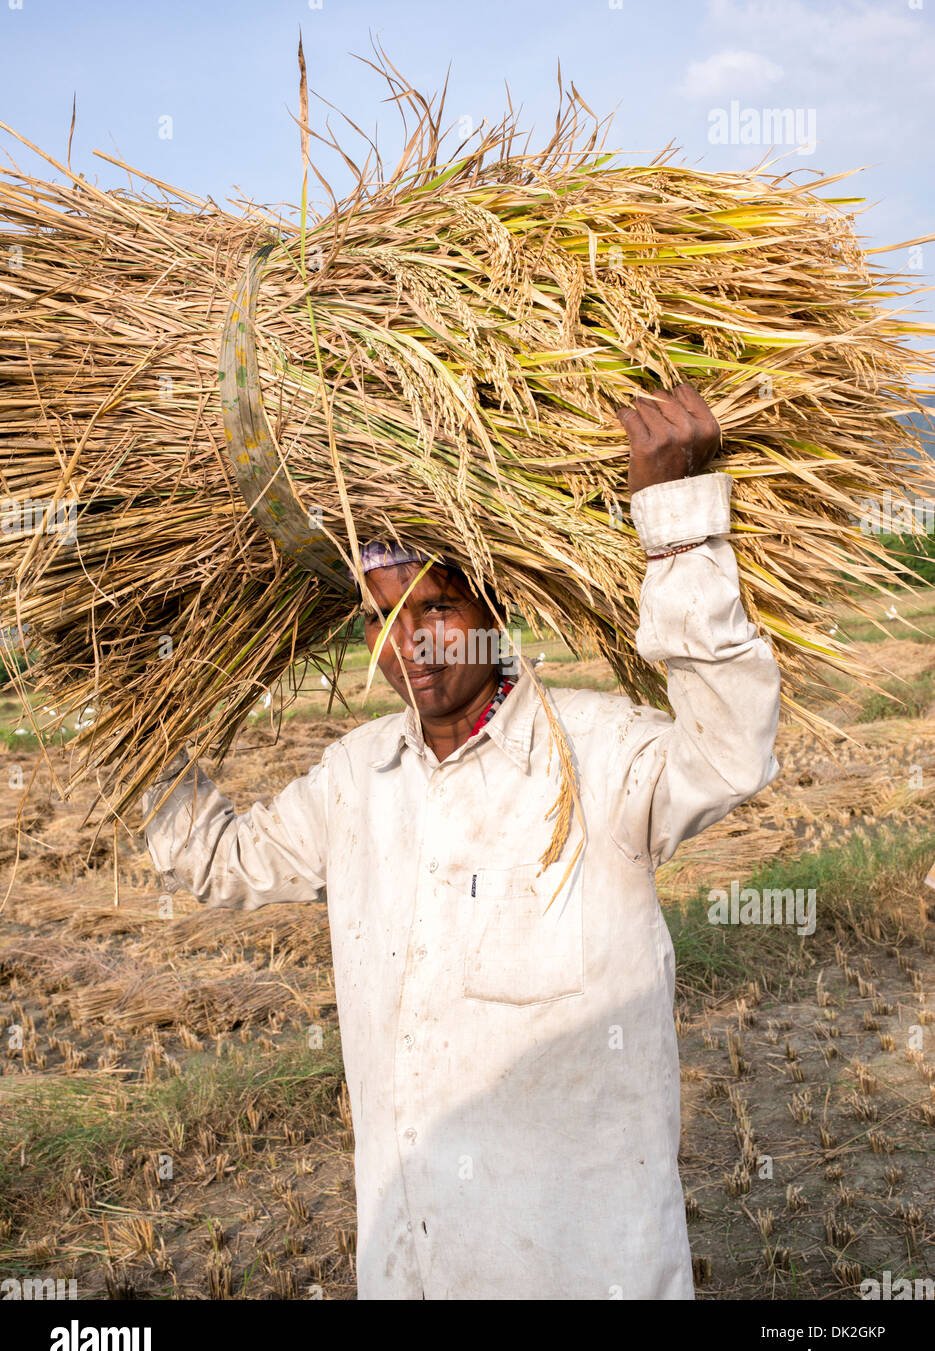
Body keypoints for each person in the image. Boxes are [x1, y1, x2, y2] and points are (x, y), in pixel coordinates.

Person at [141, 383, 781, 1300]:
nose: (412, 644)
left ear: (493, 613)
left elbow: (730, 752)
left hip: (582, 1261)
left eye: (436, 609)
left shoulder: (597, 753)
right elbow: (222, 860)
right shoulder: (357, 776)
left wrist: (675, 526)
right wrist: (132, 704)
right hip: (413, 1262)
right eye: (383, 619)